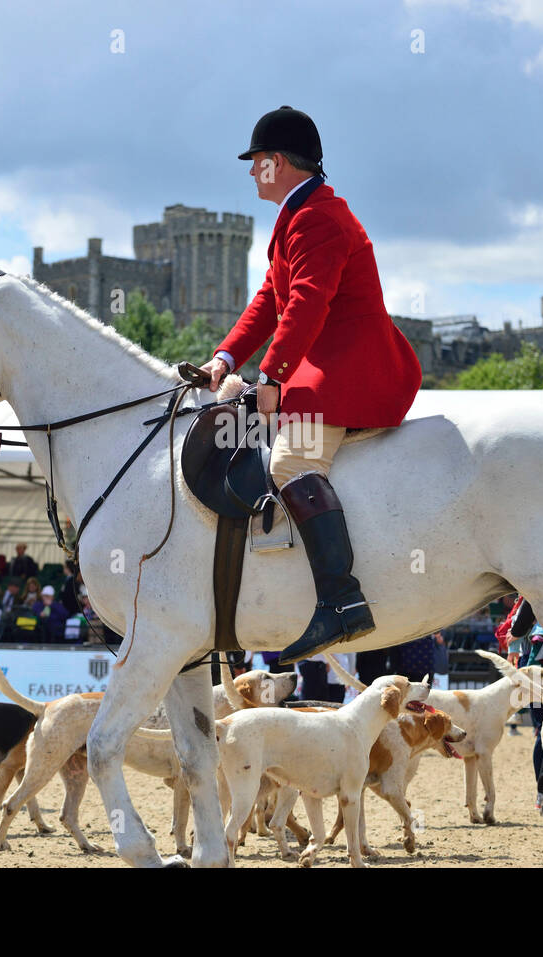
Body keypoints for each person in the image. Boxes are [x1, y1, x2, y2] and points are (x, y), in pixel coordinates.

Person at [199, 106, 422, 664]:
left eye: (256, 164)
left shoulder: (319, 217)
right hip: (323, 357)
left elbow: (306, 304)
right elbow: (269, 301)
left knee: (290, 464)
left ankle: (341, 601)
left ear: (277, 163)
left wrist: (270, 374)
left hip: (353, 364)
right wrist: (225, 357)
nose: (251, 173)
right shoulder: (296, 215)